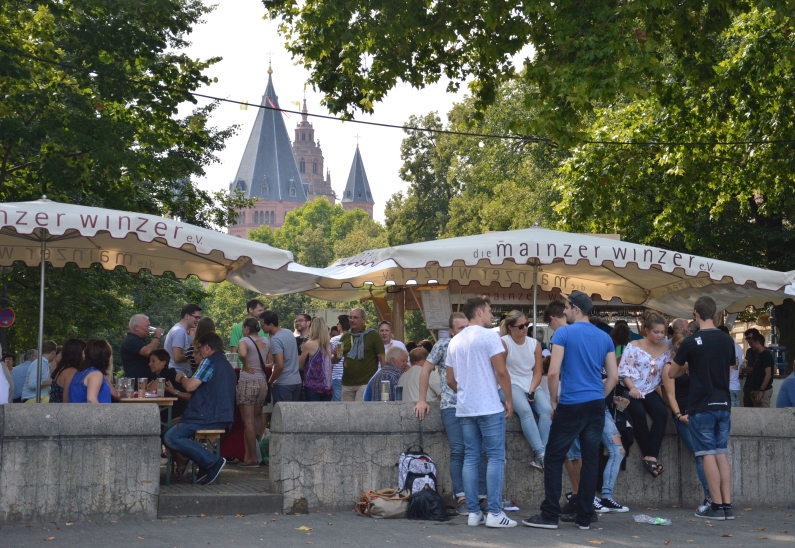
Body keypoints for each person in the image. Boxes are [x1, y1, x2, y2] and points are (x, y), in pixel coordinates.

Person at [524, 291, 617, 531]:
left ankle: (549, 515)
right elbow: (613, 377)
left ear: (576, 309)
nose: (564, 311)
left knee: (554, 458)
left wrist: (554, 401)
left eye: (566, 307)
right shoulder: (605, 337)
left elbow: (553, 373)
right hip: (596, 404)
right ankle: (585, 517)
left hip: (571, 402)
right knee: (590, 460)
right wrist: (598, 396)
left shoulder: (563, 333)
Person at [446, 296, 516, 529]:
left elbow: (449, 379)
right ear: (478, 312)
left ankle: (474, 512)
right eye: (488, 311)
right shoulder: (489, 336)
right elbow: (502, 372)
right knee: (495, 456)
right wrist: (509, 400)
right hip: (489, 405)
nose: (492, 315)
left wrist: (466, 390)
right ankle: (495, 512)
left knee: (471, 457)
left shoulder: (454, 341)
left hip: (466, 407)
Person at [414, 312, 489, 516]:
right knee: (459, 450)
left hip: (474, 405)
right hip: (452, 405)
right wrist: (422, 399)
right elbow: (425, 370)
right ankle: (462, 497)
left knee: (480, 450)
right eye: (460, 328)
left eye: (467, 327)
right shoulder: (443, 345)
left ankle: (481, 497)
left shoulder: (476, 344)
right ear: (452, 330)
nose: (465, 331)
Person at [669, 296, 735, 521]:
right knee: (721, 453)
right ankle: (727, 505)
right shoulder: (727, 340)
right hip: (723, 403)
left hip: (701, 405)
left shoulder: (691, 341)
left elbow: (672, 373)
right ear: (715, 314)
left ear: (695, 313)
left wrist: (688, 365)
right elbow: (729, 371)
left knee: (707, 454)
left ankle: (715, 505)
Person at [165, 332, 237, 485]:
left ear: (206, 347)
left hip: (207, 417)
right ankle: (205, 465)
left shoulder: (209, 362)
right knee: (172, 429)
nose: (197, 353)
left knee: (170, 436)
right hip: (222, 416)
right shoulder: (226, 363)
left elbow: (190, 386)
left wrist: (181, 377)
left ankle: (212, 462)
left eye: (198, 349)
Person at [662, 332, 711, 510]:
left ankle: (714, 497)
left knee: (707, 455)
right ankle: (710, 496)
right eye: (678, 344)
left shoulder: (695, 365)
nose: (680, 347)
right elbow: (670, 395)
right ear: (674, 345)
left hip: (700, 412)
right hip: (684, 414)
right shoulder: (668, 367)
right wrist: (678, 415)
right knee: (701, 455)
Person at [618, 313, 671, 477]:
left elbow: (666, 374)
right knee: (639, 413)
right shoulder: (634, 345)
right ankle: (650, 457)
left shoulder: (667, 348)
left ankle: (651, 455)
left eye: (663, 332)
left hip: (650, 390)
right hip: (629, 387)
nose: (660, 336)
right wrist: (632, 388)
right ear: (646, 330)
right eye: (656, 332)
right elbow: (623, 371)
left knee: (662, 414)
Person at [499, 310, 547, 471]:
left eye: (527, 324)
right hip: (509, 382)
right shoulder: (503, 342)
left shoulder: (535, 343)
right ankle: (541, 454)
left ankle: (543, 453)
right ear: (511, 327)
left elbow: (538, 371)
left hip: (530, 382)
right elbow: (501, 372)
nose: (525, 328)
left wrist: (532, 389)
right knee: (525, 411)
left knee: (547, 410)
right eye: (521, 326)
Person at [146, 348, 191, 480]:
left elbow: (149, 391)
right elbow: (149, 390)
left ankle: (182, 459)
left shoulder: (166, 374)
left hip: (180, 414)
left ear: (163, 363)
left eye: (153, 361)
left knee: (161, 429)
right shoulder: (164, 374)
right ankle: (181, 459)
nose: (150, 364)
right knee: (160, 428)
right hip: (172, 413)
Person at [236, 317, 271, 466]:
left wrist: (246, 363)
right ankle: (251, 454)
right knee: (257, 418)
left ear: (246, 328)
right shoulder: (266, 341)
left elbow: (243, 354)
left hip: (247, 382)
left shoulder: (244, 341)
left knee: (248, 421)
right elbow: (270, 362)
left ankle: (253, 458)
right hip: (262, 382)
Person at [340, 308, 385, 401]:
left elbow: (382, 357)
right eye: (350, 317)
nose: (352, 320)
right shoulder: (345, 337)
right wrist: (335, 354)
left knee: (359, 413)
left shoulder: (373, 335)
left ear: (363, 319)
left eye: (355, 318)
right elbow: (336, 359)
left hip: (365, 383)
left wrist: (383, 379)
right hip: (347, 384)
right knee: (346, 413)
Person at [260, 310, 303, 403]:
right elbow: (288, 357)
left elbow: (280, 365)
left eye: (262, 325)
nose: (261, 328)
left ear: (271, 325)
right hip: (297, 381)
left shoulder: (275, 340)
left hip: (283, 383)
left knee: (282, 415)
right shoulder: (288, 332)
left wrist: (271, 381)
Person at [299, 317, 334, 401]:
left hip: (312, 386)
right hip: (327, 387)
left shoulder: (309, 344)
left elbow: (300, 366)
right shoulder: (329, 345)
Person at [69, 340, 114, 404]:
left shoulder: (80, 372)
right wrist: (101, 413)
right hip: (95, 413)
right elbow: (91, 399)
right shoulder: (95, 374)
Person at [120, 314, 164, 379]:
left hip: (143, 383)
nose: (149, 329)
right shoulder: (131, 340)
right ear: (136, 327)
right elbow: (149, 352)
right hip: (137, 385)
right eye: (147, 326)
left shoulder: (139, 340)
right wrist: (156, 336)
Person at [165, 304, 202, 376]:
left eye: (199, 318)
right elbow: (177, 358)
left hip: (179, 372)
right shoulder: (179, 331)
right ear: (187, 316)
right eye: (196, 317)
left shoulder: (180, 330)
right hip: (177, 373)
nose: (198, 320)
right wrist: (192, 352)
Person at [229, 299, 266, 366]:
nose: (262, 313)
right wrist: (235, 370)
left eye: (263, 310)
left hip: (261, 369)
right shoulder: (237, 328)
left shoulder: (263, 327)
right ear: (250, 310)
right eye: (259, 310)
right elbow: (233, 353)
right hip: (242, 369)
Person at [49, 339, 86, 403]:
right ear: (78, 353)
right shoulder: (71, 371)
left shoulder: (63, 368)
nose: (85, 355)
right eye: (84, 352)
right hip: (61, 410)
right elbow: (66, 399)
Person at [717, 325, 742, 407]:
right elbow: (740, 367)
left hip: (727, 386)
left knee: (730, 416)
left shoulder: (724, 346)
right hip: (736, 386)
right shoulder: (738, 347)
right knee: (736, 416)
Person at [747, 333, 774, 408]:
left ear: (757, 342)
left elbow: (768, 374)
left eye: (751, 342)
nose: (750, 345)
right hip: (757, 391)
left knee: (764, 415)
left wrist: (761, 390)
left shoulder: (766, 356)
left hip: (763, 392)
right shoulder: (760, 355)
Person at [329, 314, 349, 401]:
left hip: (336, 375)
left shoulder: (333, 340)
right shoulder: (353, 339)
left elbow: (329, 359)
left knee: (337, 403)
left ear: (340, 325)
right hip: (349, 377)